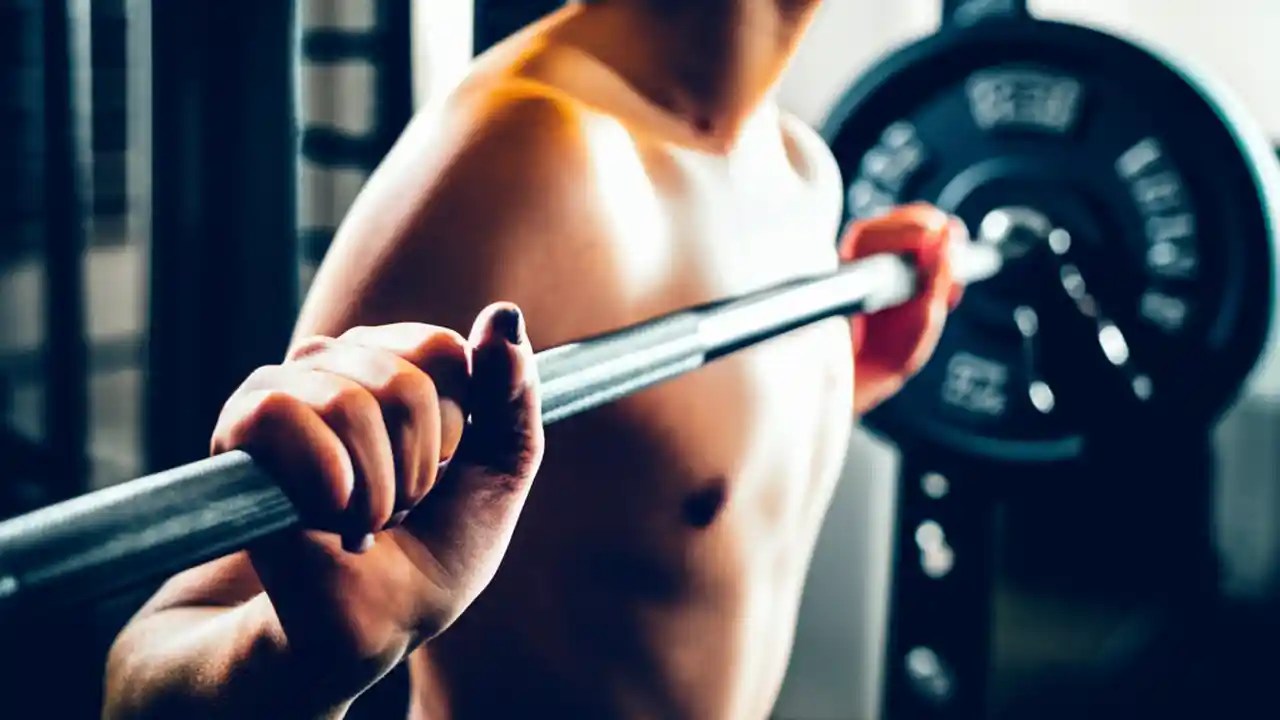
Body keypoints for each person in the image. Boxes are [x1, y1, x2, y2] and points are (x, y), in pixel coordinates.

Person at [104, 1, 962, 717]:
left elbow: (658, 498)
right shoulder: (524, 158)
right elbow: (141, 676)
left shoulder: (798, 167)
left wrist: (845, 376)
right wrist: (294, 654)